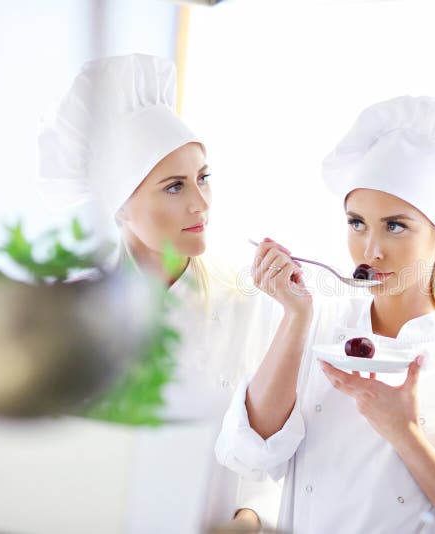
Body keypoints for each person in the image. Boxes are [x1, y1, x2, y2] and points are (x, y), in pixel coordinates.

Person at [215, 95, 435, 533]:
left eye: (395, 225)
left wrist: (403, 432)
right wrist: (295, 316)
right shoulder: (319, 326)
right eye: (357, 223)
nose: (371, 250)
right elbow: (250, 454)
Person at [37, 54, 281, 528]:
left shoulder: (249, 302)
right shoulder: (71, 311)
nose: (201, 202)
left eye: (203, 177)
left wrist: (248, 521)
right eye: (174, 187)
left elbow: (268, 461)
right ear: (122, 207)